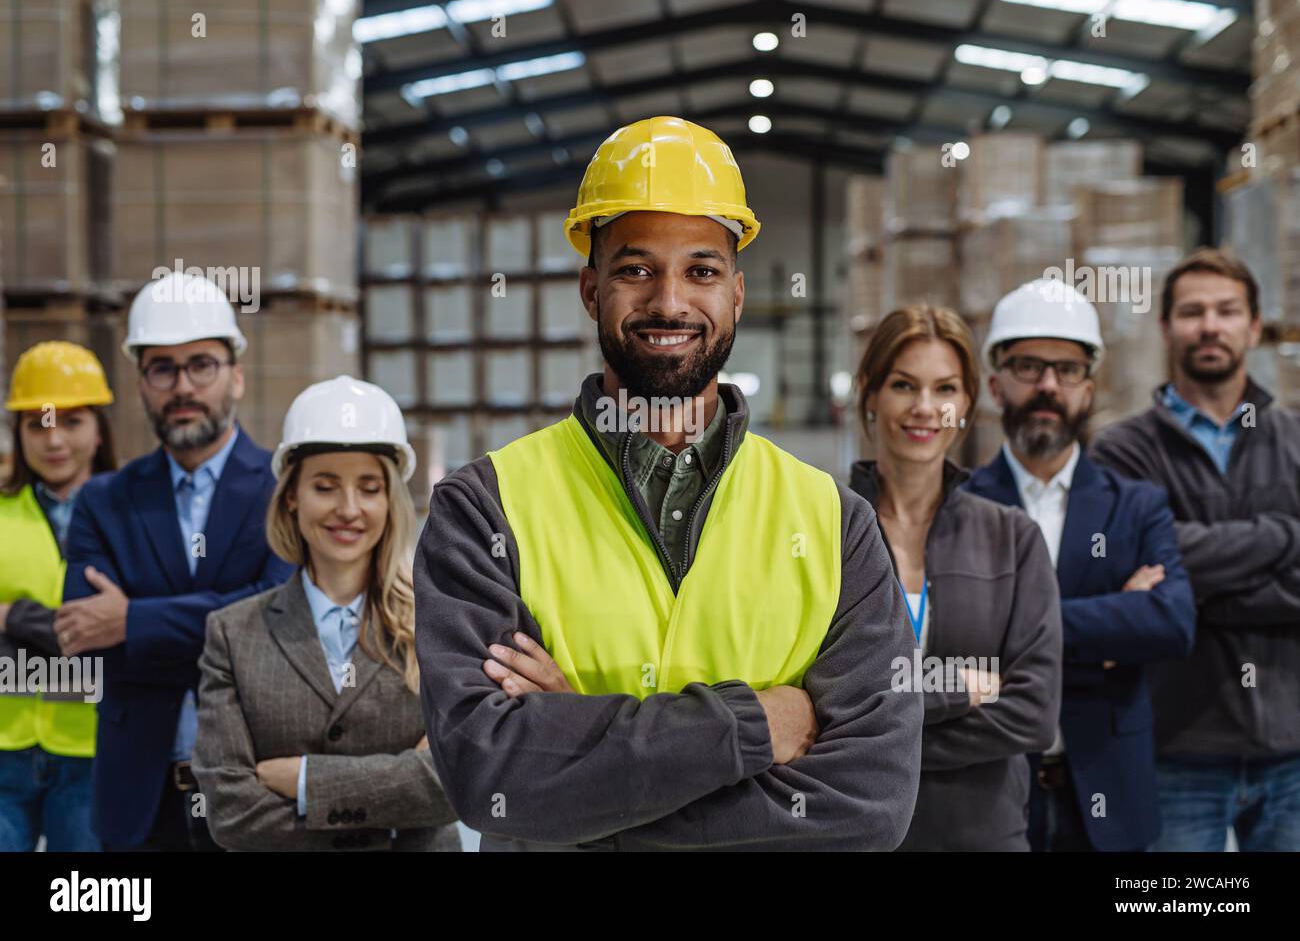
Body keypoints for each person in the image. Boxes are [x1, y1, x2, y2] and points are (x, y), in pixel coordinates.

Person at [415, 115, 922, 851]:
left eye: (701, 270)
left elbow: (870, 804)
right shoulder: (484, 509)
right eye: (635, 269)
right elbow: (488, 778)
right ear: (592, 290)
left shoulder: (832, 521)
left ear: (738, 294)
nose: (670, 303)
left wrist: (585, 756)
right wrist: (755, 724)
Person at [59, 272, 292, 851]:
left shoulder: (284, 488)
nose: (182, 385)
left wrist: (133, 620)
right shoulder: (103, 501)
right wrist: (230, 623)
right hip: (139, 796)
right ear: (141, 383)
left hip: (256, 787)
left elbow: (284, 623)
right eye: (162, 368)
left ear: (235, 375)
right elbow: (85, 638)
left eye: (201, 365)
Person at [964, 279, 1196, 852]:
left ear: (1089, 389)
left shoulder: (1136, 505)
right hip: (991, 792)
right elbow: (947, 639)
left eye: (1066, 370)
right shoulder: (958, 506)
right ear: (995, 384)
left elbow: (1170, 622)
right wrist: (1112, 621)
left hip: (1107, 793)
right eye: (1028, 366)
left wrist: (1018, 635)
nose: (1048, 385)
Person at [193, 376, 459, 851]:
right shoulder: (232, 635)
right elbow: (231, 811)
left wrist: (304, 781)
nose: (349, 509)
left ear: (389, 499)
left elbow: (455, 781)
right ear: (292, 495)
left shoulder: (439, 623)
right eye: (325, 486)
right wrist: (397, 791)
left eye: (369, 487)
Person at [1091, 248, 1300, 851]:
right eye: (1192, 311)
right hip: (1175, 748)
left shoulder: (1292, 441)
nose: (1210, 325)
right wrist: (1286, 536)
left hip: (1292, 749)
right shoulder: (1123, 451)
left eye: (1227, 310)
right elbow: (1132, 582)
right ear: (1166, 329)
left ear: (1254, 327)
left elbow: (1169, 578)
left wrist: (1190, 584)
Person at [847, 304, 1062, 851]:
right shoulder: (820, 529)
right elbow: (820, 698)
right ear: (870, 393)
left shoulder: (1012, 539)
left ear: (967, 403)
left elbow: (1033, 714)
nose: (925, 408)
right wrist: (954, 690)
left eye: (944, 389)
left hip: (982, 835)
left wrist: (872, 737)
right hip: (855, 833)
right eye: (903, 385)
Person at [0, 343, 116, 851]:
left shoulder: (131, 519)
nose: (54, 440)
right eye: (37, 424)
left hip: (90, 749)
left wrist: (11, 618)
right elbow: (89, 630)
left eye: (70, 421)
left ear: (98, 430)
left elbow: (124, 630)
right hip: (5, 747)